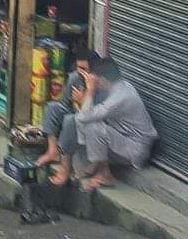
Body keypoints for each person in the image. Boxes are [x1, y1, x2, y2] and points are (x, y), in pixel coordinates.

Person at [51, 56, 157, 190]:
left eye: (95, 79)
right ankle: (95, 164)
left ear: (103, 80)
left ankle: (105, 175)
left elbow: (85, 117)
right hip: (122, 140)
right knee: (78, 120)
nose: (92, 82)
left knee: (92, 126)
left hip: (135, 150)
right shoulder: (118, 86)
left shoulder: (120, 97)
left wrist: (90, 91)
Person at [36, 48, 100, 168]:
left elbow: (94, 115)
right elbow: (64, 104)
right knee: (52, 107)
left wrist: (82, 100)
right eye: (78, 68)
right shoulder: (75, 78)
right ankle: (53, 151)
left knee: (70, 120)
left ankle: (66, 168)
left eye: (84, 69)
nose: (80, 72)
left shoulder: (100, 83)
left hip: (92, 123)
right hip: (76, 113)